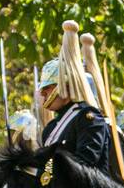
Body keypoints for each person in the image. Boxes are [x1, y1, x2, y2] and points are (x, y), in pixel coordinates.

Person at [36, 20, 113, 173]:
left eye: (48, 87)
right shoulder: (51, 128)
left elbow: (85, 165)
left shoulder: (88, 118)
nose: (42, 93)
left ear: (66, 85)